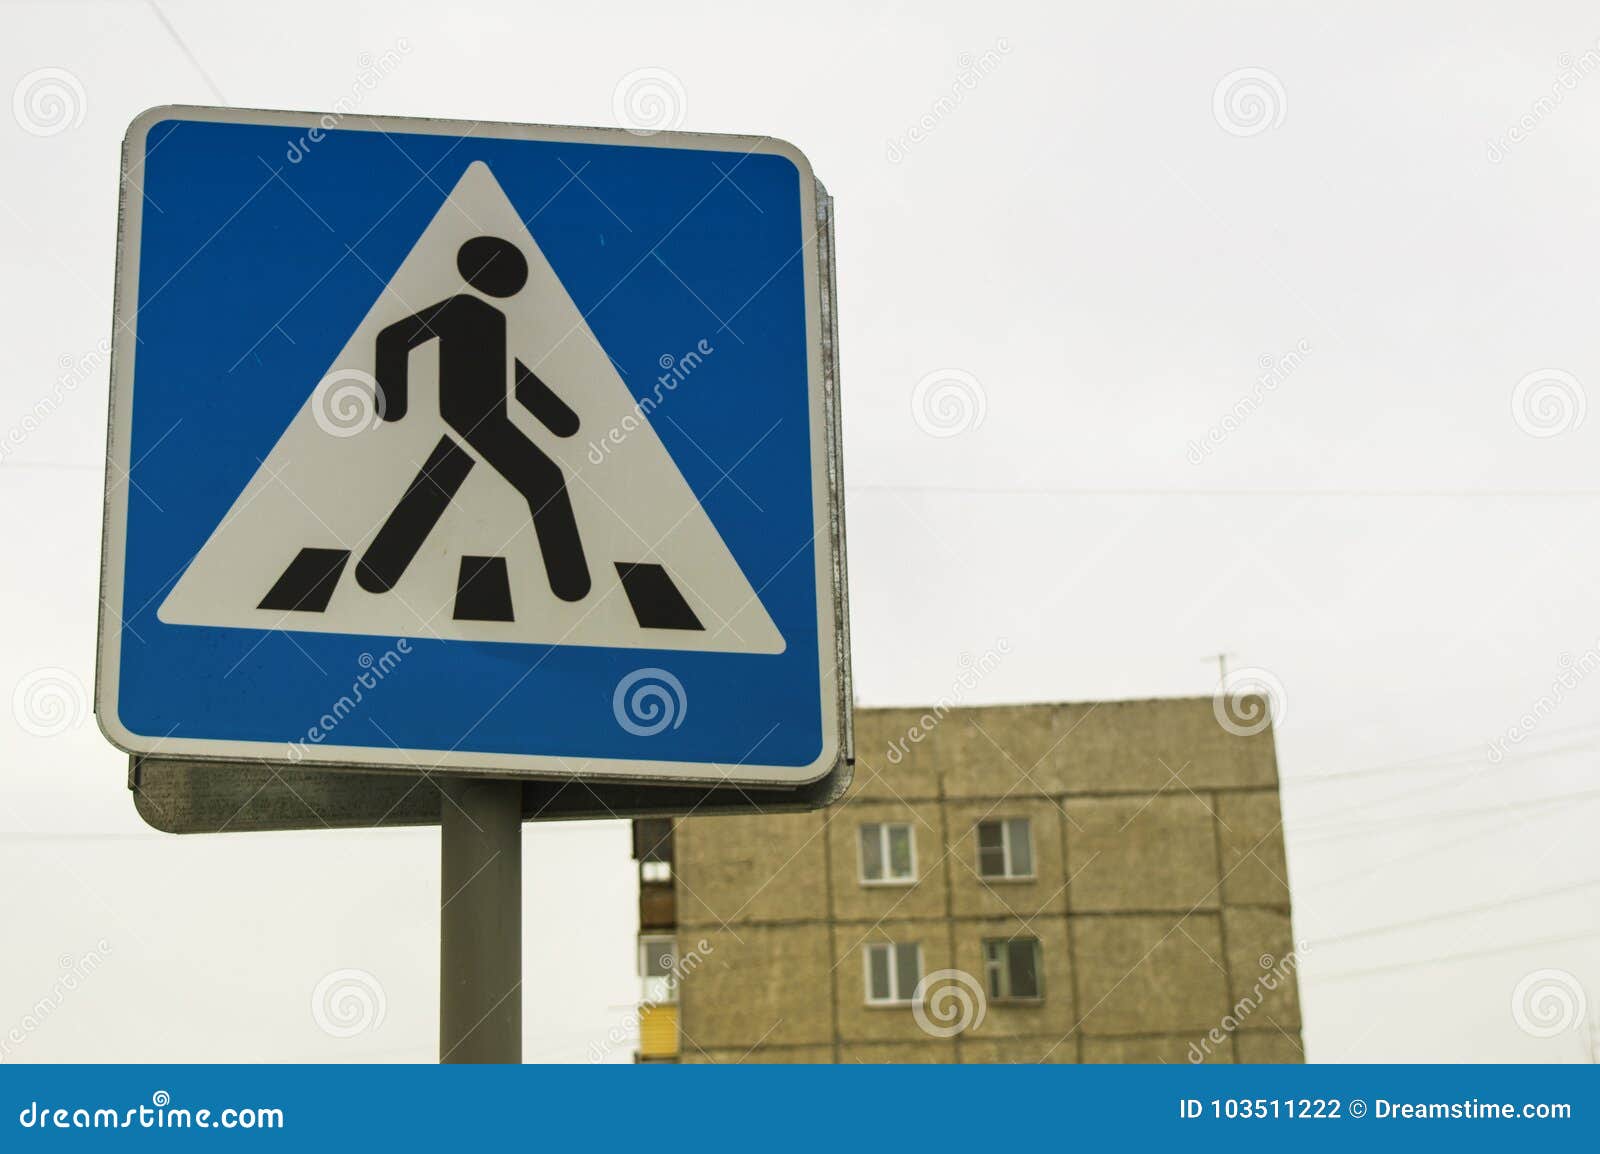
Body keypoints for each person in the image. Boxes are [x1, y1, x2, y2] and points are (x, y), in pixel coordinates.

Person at [356, 235, 590, 603]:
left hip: (484, 420)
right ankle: (572, 586)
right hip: (471, 420)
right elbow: (393, 339)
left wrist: (558, 418)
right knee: (545, 482)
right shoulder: (459, 308)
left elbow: (511, 373)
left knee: (436, 486)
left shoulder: (492, 318)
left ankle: (377, 571)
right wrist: (390, 403)